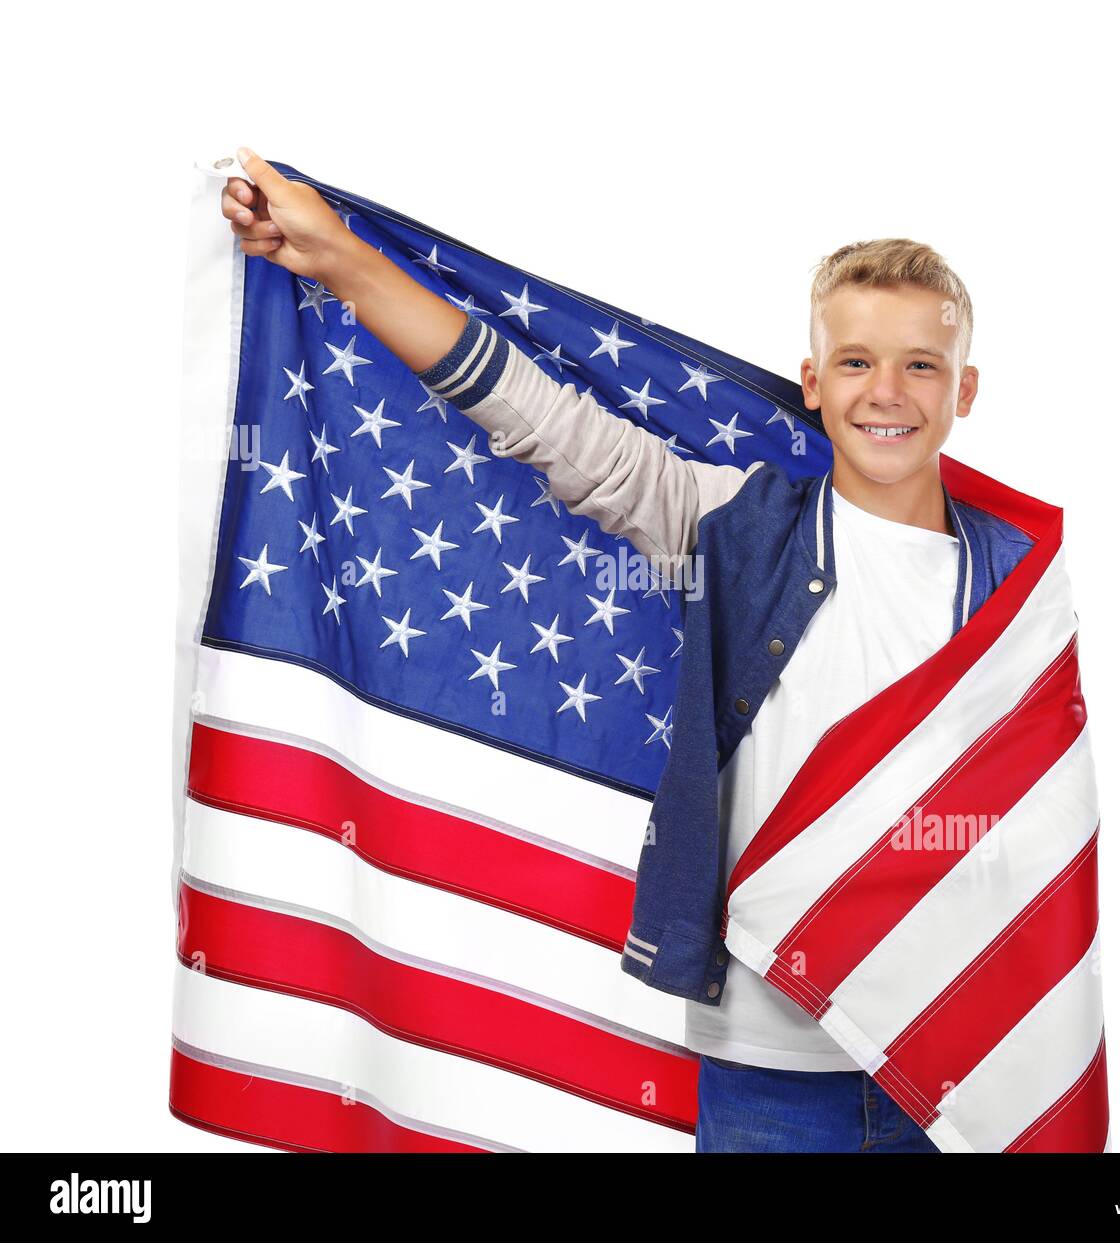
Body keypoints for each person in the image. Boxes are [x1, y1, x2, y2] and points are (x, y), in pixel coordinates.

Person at [221, 147, 1031, 1153]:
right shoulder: (732, 526)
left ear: (967, 389)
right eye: (857, 361)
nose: (888, 392)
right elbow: (553, 427)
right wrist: (341, 258)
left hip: (959, 1070)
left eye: (923, 364)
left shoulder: (1027, 582)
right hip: (766, 1072)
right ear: (813, 383)